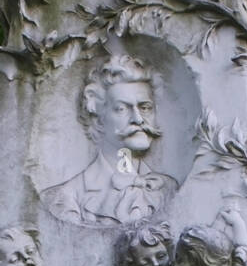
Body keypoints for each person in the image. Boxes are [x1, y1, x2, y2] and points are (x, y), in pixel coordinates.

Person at [42, 56, 177, 226]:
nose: (138, 119)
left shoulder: (168, 188)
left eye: (145, 108)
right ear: (98, 119)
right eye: (121, 109)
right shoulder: (66, 197)